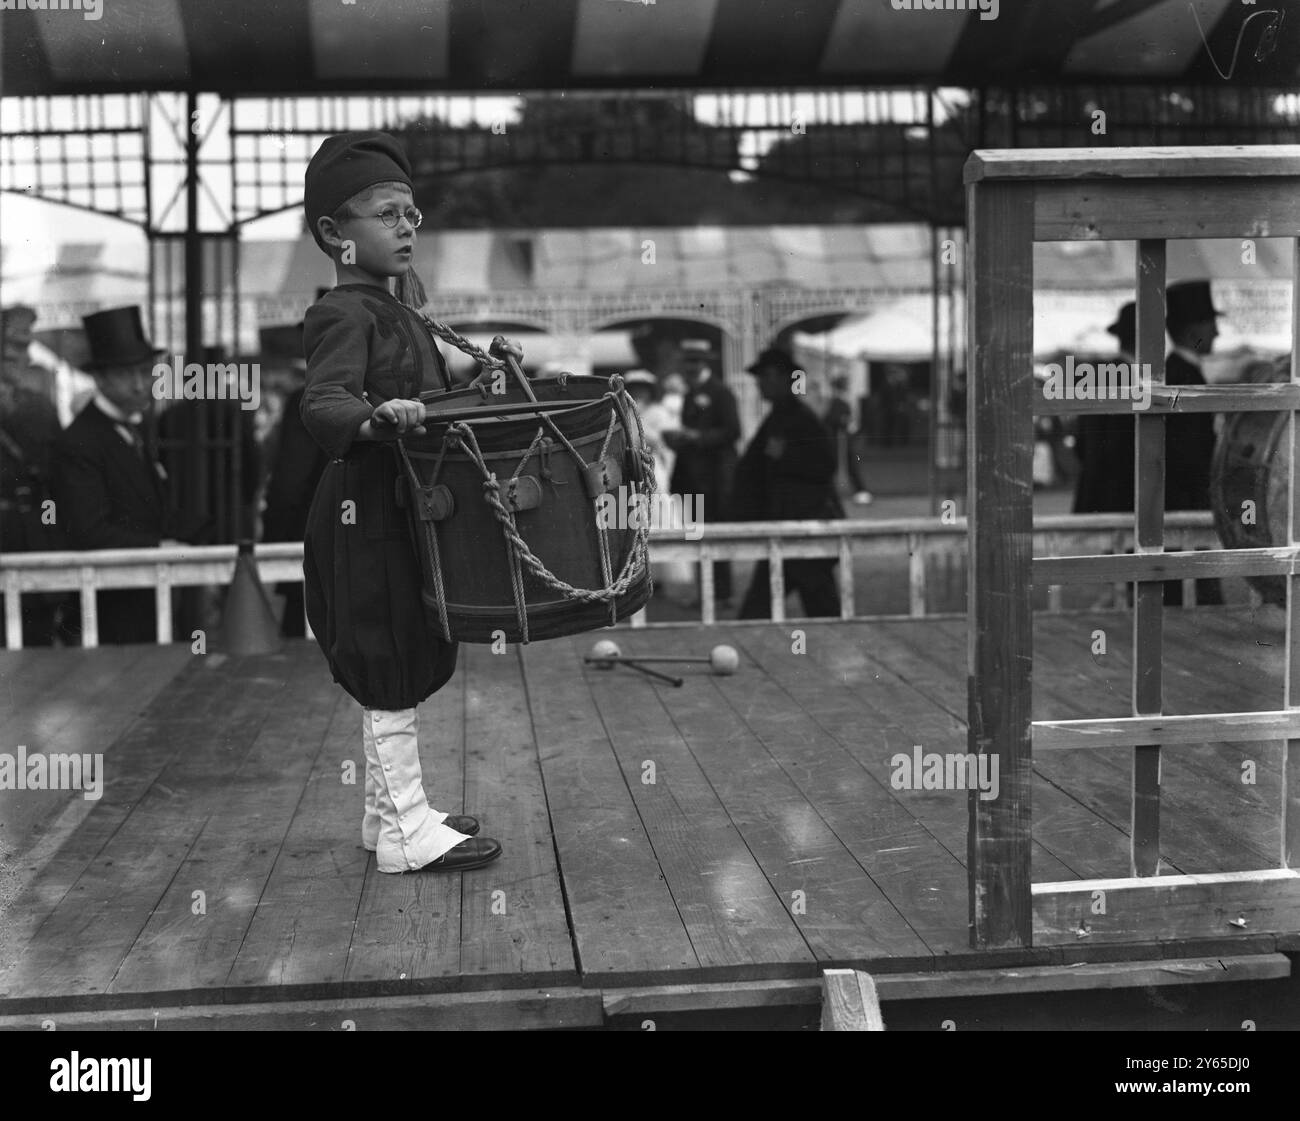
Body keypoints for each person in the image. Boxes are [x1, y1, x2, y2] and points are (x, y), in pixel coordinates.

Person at [300, 130, 500, 874]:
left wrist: (477, 385)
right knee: (387, 652)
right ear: (334, 235)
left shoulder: (402, 312)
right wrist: (373, 417)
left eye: (412, 213)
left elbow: (437, 398)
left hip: (396, 508)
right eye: (386, 214)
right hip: (366, 513)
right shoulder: (344, 314)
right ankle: (408, 832)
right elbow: (322, 404)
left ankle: (387, 818)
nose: (407, 225)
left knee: (404, 649)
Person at [49, 306, 213, 644]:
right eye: (128, 375)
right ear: (100, 378)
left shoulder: (134, 430)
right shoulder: (80, 442)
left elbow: (148, 508)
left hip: (147, 601)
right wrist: (160, 546)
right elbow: (88, 529)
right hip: (110, 613)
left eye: (145, 372)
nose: (141, 385)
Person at [732, 347, 842, 619]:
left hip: (803, 525)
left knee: (818, 606)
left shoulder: (801, 418)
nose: (759, 383)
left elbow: (825, 465)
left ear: (782, 378)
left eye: (764, 376)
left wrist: (786, 457)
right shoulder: (780, 416)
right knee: (818, 607)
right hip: (788, 526)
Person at [1, 305, 66, 645]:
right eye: (13, 345)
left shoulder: (40, 406)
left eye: (25, 346)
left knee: (35, 643)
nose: (21, 356)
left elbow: (56, 480)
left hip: (32, 541)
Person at [663, 338, 739, 605]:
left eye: (695, 361)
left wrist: (697, 436)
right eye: (687, 361)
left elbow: (732, 431)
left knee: (715, 533)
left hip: (715, 477)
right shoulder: (689, 394)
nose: (690, 367)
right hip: (692, 478)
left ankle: (722, 593)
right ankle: (706, 592)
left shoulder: (720, 392)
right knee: (696, 533)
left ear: (704, 363)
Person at [1164, 280, 1224, 607]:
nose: (1218, 334)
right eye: (1212, 324)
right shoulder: (1185, 376)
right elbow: (1190, 455)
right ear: (1193, 329)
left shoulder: (1177, 372)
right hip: (1186, 509)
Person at [1072, 302, 1137, 514]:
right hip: (1121, 497)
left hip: (1093, 492)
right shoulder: (1136, 380)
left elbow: (1081, 443)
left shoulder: (1100, 373)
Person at [825, 374, 872, 505]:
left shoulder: (841, 401)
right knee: (838, 465)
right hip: (838, 440)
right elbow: (837, 421)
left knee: (850, 464)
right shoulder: (837, 402)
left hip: (845, 439)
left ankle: (860, 491)